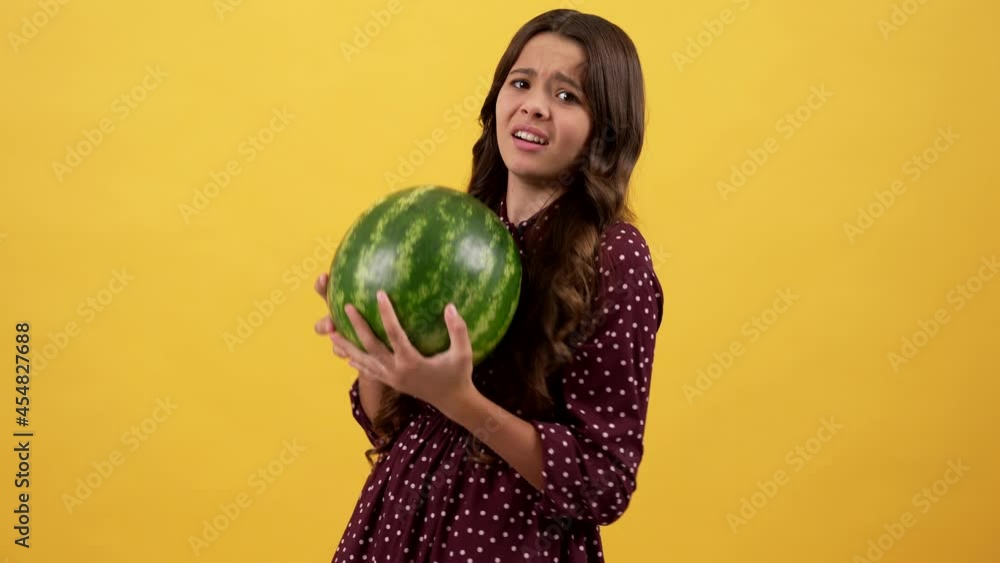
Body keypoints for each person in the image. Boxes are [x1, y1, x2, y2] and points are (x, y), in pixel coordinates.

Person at [315, 9, 663, 562]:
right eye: (520, 83)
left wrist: (459, 400)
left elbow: (604, 481)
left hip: (510, 544)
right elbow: (389, 430)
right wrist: (372, 351)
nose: (534, 105)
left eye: (567, 96)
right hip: (396, 526)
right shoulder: (461, 232)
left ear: (607, 132)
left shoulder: (615, 258)